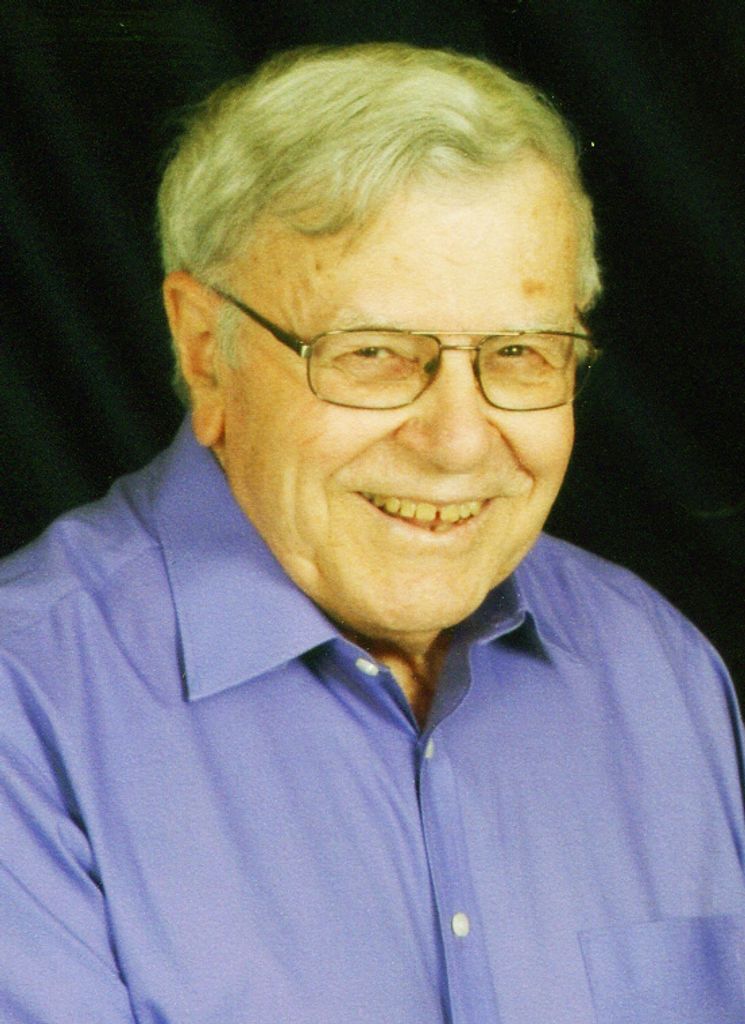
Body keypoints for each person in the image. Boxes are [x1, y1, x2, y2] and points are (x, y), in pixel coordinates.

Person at [1, 42, 743, 1024]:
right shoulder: (26, 713)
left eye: (519, 353)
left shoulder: (661, 673)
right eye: (374, 354)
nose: (457, 441)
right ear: (203, 348)